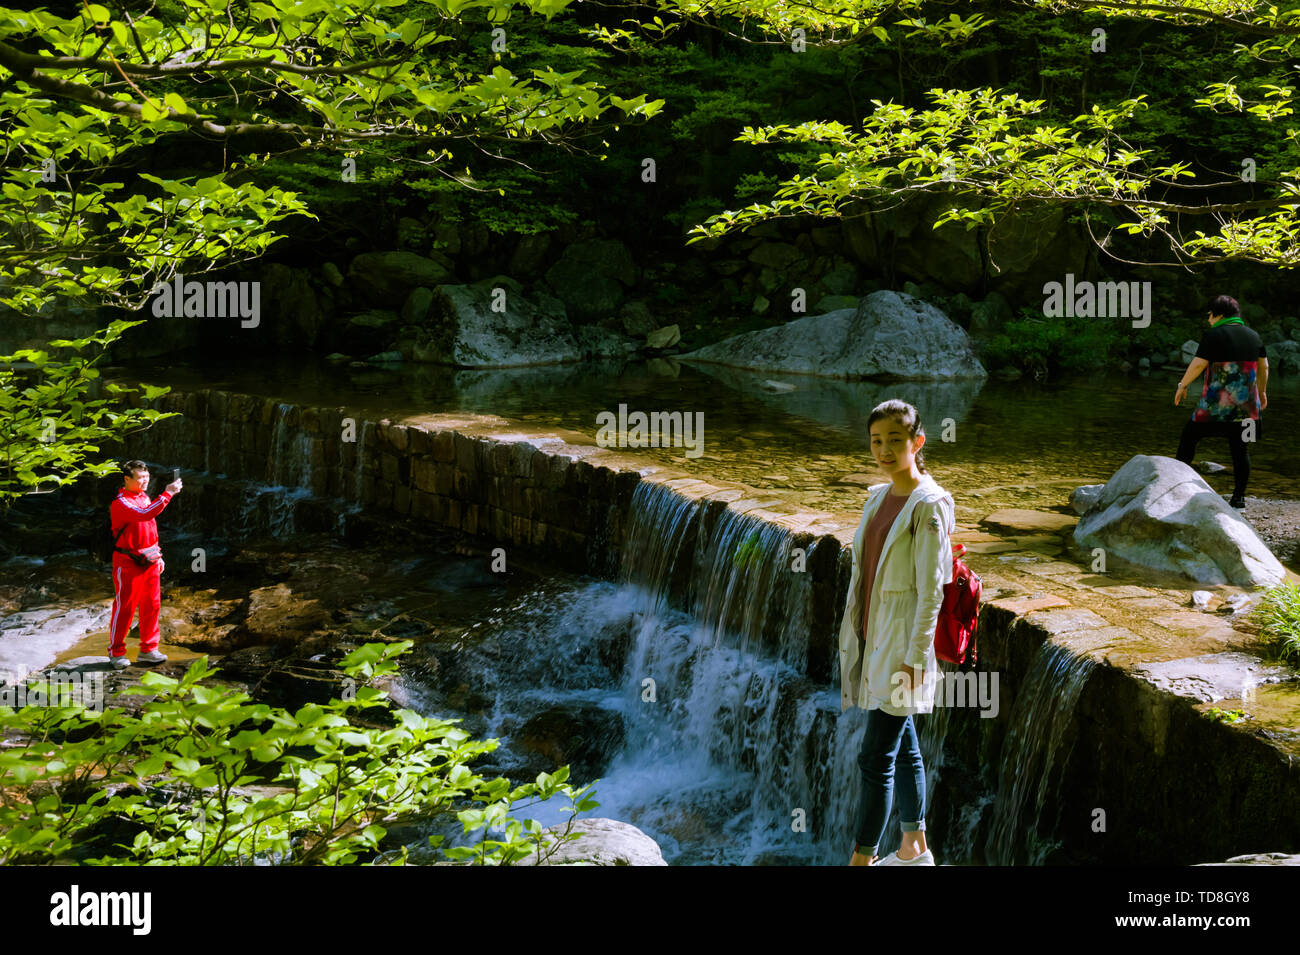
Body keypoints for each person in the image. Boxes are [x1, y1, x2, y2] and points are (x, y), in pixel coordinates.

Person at [839, 399, 955, 866]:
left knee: (874, 757)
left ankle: (861, 859)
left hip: (903, 651)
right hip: (874, 639)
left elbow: (932, 592)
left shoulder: (928, 506)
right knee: (903, 743)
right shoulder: (877, 496)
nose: (884, 449)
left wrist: (913, 658)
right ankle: (915, 846)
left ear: (917, 442)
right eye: (876, 441)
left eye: (894, 440)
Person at [1174, 295, 1268, 509]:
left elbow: (1198, 365)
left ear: (1218, 314)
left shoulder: (1214, 335)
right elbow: (1264, 368)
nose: (1208, 319)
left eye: (1209, 314)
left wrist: (1183, 385)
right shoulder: (1254, 336)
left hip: (1215, 409)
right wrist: (1262, 393)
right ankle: (1239, 499)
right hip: (1248, 410)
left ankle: (1175, 485)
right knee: (1241, 450)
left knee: (1189, 438)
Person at [108, 460, 182, 668]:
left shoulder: (144, 497)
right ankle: (116, 653)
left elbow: (151, 527)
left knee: (152, 606)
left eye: (146, 478)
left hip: (149, 559)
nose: (144, 482)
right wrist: (168, 494)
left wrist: (158, 555)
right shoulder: (121, 502)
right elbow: (144, 514)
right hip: (127, 562)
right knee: (125, 608)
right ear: (127, 479)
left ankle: (149, 650)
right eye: (140, 478)